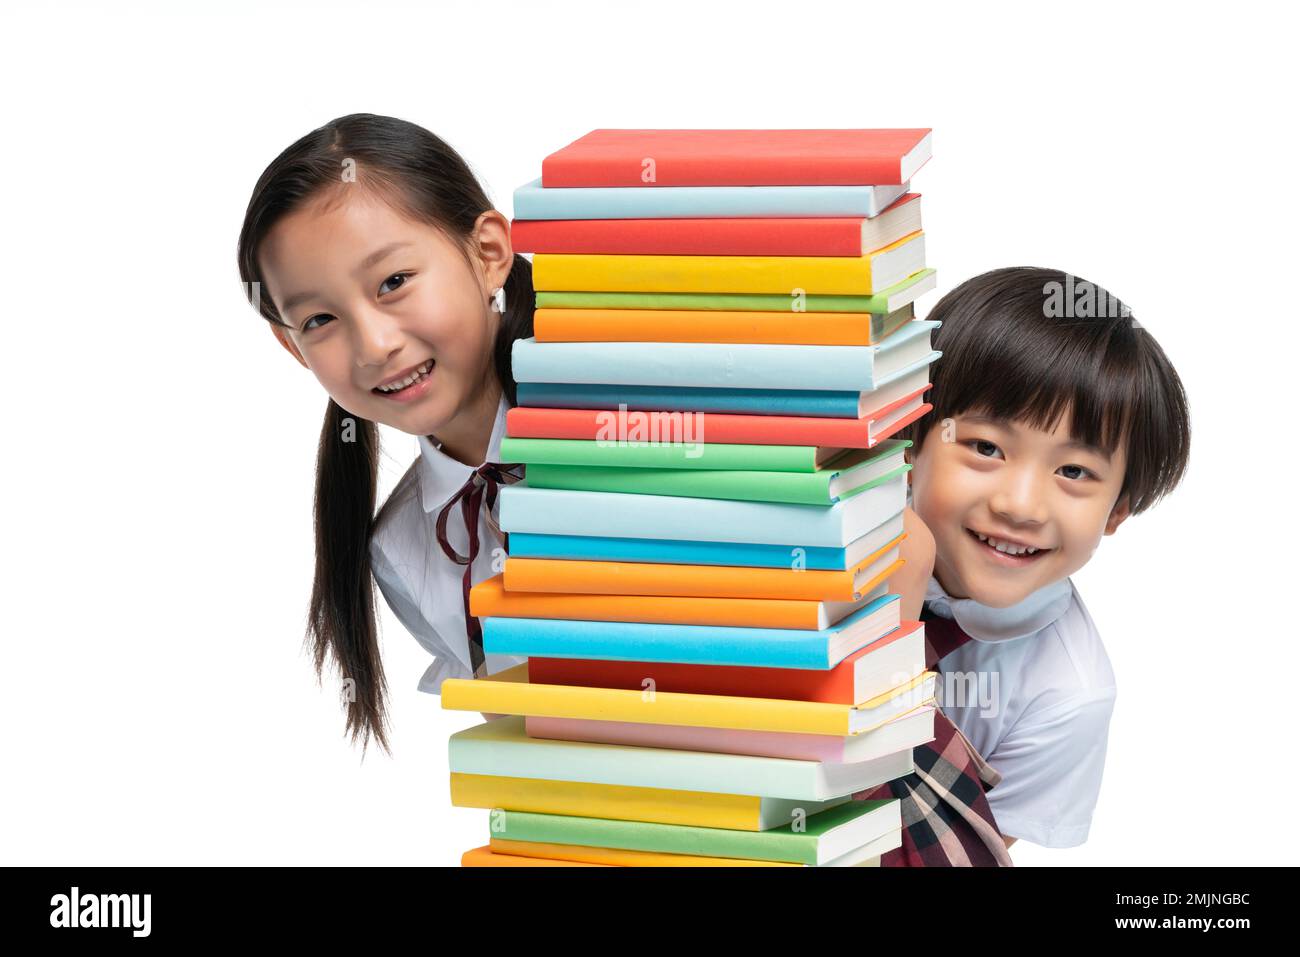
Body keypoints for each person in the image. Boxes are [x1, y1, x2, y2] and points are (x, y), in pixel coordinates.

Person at [864, 266, 1191, 862]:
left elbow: (951, 855)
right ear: (909, 439)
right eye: (985, 447)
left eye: (1074, 472)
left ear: (1117, 511)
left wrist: (892, 631)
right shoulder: (821, 536)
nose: (1018, 505)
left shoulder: (1067, 693)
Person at [237, 113, 534, 753]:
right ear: (293, 349)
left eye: (393, 282)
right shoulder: (401, 550)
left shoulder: (634, 415)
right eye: (319, 319)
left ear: (488, 254)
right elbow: (527, 746)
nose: (374, 345)